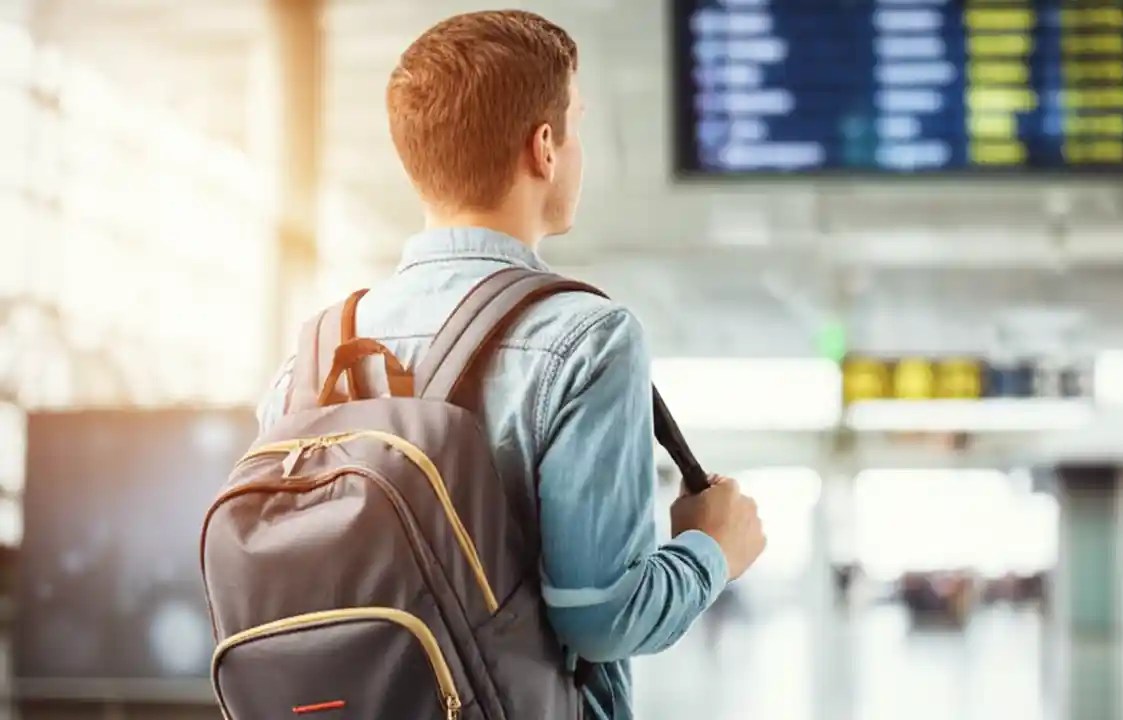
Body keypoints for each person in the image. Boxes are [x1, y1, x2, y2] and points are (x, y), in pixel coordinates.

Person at [255, 10, 766, 719]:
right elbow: (600, 616)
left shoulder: (309, 360)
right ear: (545, 147)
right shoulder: (586, 337)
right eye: (576, 125)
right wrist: (714, 551)